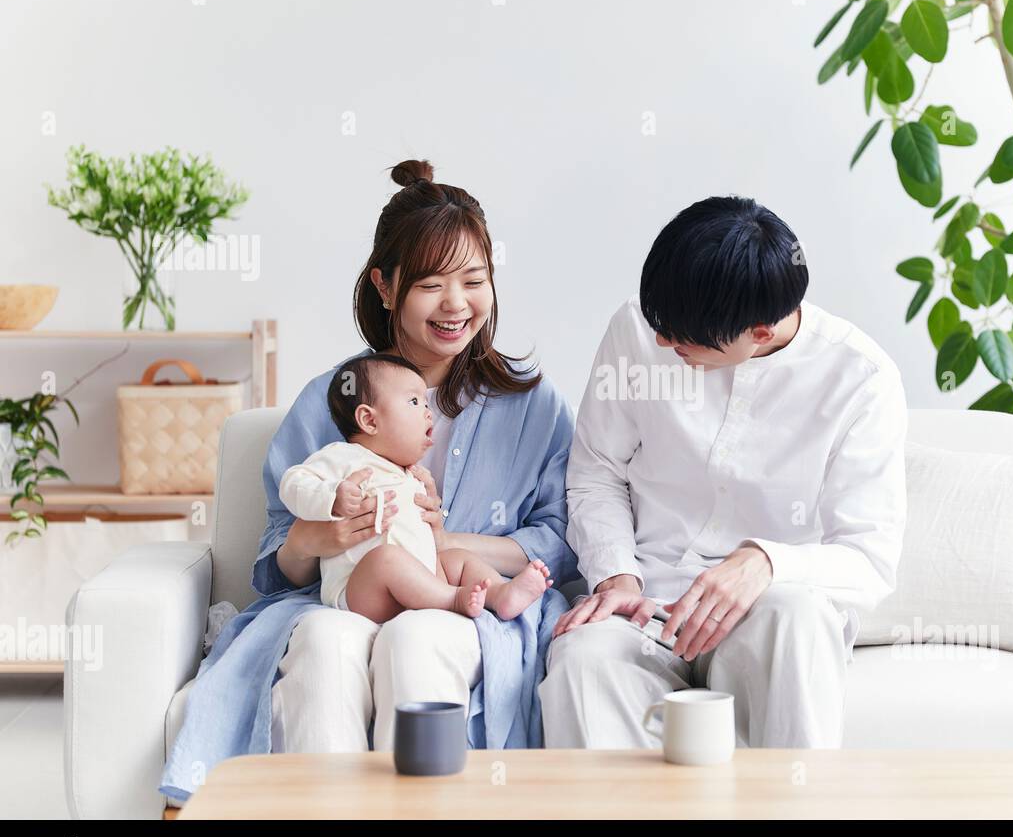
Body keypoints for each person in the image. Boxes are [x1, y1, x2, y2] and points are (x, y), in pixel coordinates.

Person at [160, 159, 575, 803]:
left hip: (464, 605)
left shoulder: (535, 406)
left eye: (474, 280)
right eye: (432, 284)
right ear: (385, 287)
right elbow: (278, 566)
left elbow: (559, 537)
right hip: (340, 600)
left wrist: (447, 545)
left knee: (419, 638)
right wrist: (323, 533)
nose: (456, 305)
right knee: (326, 645)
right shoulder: (332, 401)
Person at [540, 195, 908, 749]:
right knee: (581, 658)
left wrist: (765, 561)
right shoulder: (639, 330)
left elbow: (869, 560)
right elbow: (596, 471)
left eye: (682, 337)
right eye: (660, 325)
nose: (663, 341)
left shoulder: (860, 378)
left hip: (769, 611)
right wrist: (616, 574)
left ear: (760, 331)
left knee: (796, 620)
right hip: (647, 600)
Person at [279, 352, 553, 622]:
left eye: (425, 402)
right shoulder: (343, 457)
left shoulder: (411, 474)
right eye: (414, 402)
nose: (428, 412)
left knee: (458, 558)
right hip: (360, 589)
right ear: (370, 420)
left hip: (421, 581)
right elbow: (293, 482)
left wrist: (427, 499)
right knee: (386, 559)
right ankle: (453, 599)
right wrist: (332, 498)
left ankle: (500, 594)